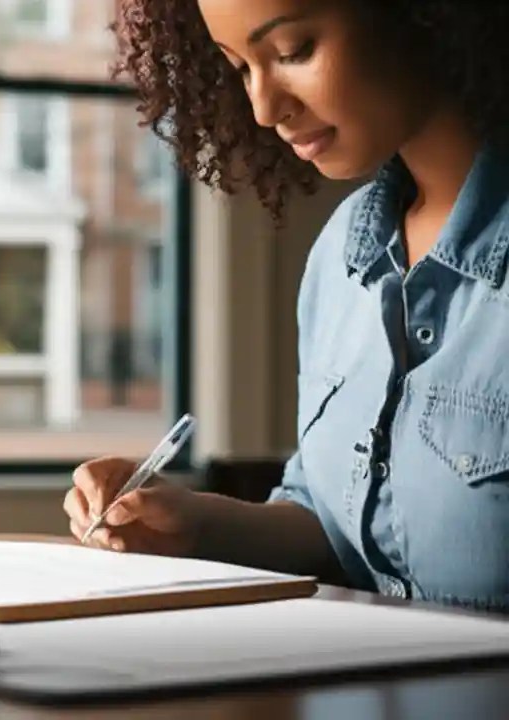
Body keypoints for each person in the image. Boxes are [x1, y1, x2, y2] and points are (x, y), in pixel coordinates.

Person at [62, 0, 509, 612]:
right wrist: (190, 523)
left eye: (294, 51)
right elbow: (336, 530)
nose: (264, 109)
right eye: (241, 69)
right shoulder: (341, 255)